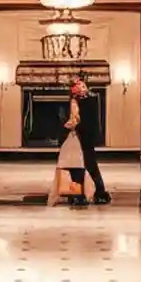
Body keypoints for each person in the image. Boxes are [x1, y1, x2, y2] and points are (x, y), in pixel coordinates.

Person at [72, 74, 111, 205]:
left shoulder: (90, 100)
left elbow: (89, 120)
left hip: (86, 137)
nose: (81, 87)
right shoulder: (75, 101)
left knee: (90, 165)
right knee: (78, 166)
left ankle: (99, 192)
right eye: (78, 85)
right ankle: (79, 194)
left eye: (83, 86)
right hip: (78, 136)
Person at [54, 78, 90, 209]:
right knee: (76, 167)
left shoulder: (73, 102)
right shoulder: (74, 103)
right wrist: (70, 126)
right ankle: (76, 195)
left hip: (71, 138)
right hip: (73, 138)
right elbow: (74, 120)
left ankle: (74, 194)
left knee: (73, 167)